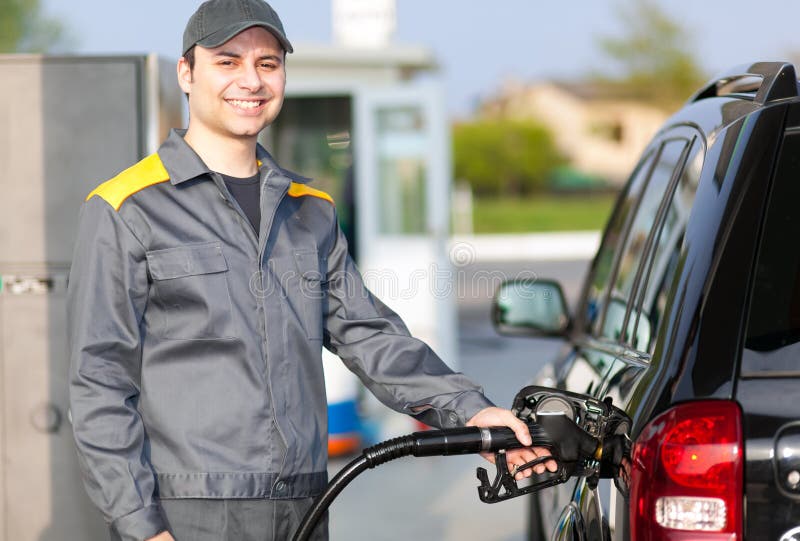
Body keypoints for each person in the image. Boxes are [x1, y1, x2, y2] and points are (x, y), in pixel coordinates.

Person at [67, 1, 554, 540]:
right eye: (227, 62)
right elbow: (99, 383)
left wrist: (470, 411)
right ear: (187, 72)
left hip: (304, 502)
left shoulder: (309, 209)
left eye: (268, 64)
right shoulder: (126, 208)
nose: (250, 80)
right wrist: (140, 525)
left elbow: (370, 336)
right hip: (188, 511)